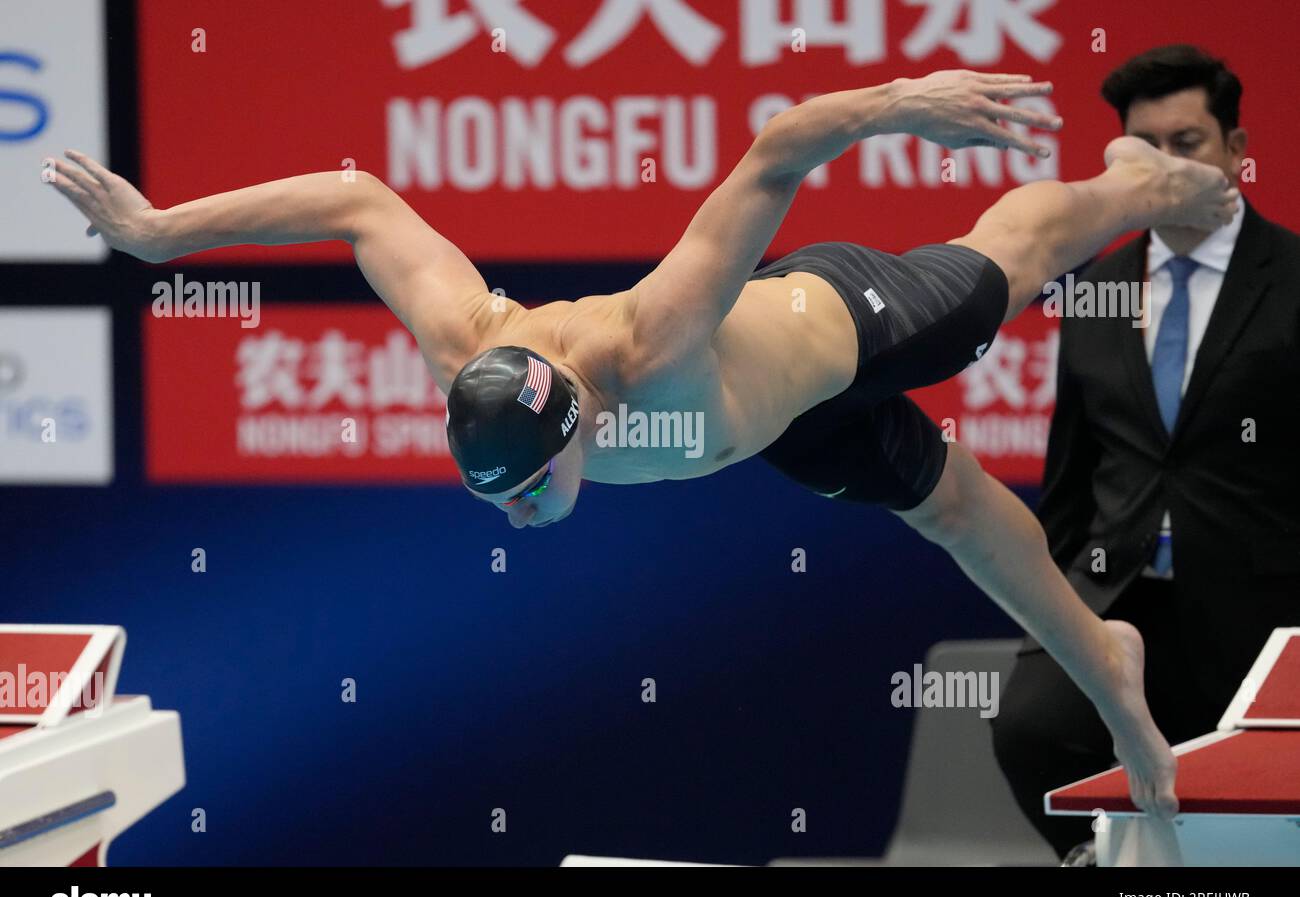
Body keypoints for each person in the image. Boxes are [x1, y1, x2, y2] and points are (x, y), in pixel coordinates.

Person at [48, 69, 1237, 817]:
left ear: (583, 429)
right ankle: (1113, 668)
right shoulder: (472, 338)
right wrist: (162, 234)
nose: (514, 519)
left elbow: (775, 150)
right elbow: (359, 204)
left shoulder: (650, 341)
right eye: (496, 496)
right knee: (960, 516)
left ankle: (1131, 179)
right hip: (779, 431)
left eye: (527, 491)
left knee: (1014, 262)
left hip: (840, 325)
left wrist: (899, 105)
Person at [992, 46, 1300, 859]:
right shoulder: (1096, 288)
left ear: (1236, 152)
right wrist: (1046, 619)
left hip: (1264, 609)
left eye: (1187, 144)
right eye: (1144, 148)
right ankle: (1112, 875)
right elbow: (1071, 475)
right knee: (1030, 729)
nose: (1165, 167)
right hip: (1119, 599)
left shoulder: (1295, 277)